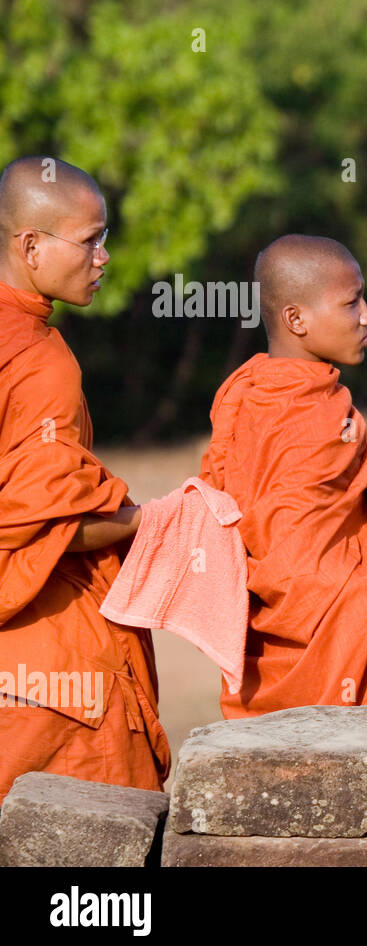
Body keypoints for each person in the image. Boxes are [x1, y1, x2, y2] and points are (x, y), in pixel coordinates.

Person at [199, 234, 367, 718]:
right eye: (351, 303)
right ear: (295, 319)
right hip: (322, 643)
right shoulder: (293, 409)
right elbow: (297, 563)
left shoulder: (259, 393)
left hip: (273, 654)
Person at [0, 156, 168, 801]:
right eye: (90, 239)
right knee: (91, 839)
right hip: (49, 642)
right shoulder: (40, 360)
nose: (104, 257)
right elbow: (53, 522)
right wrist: (149, 520)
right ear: (32, 245)